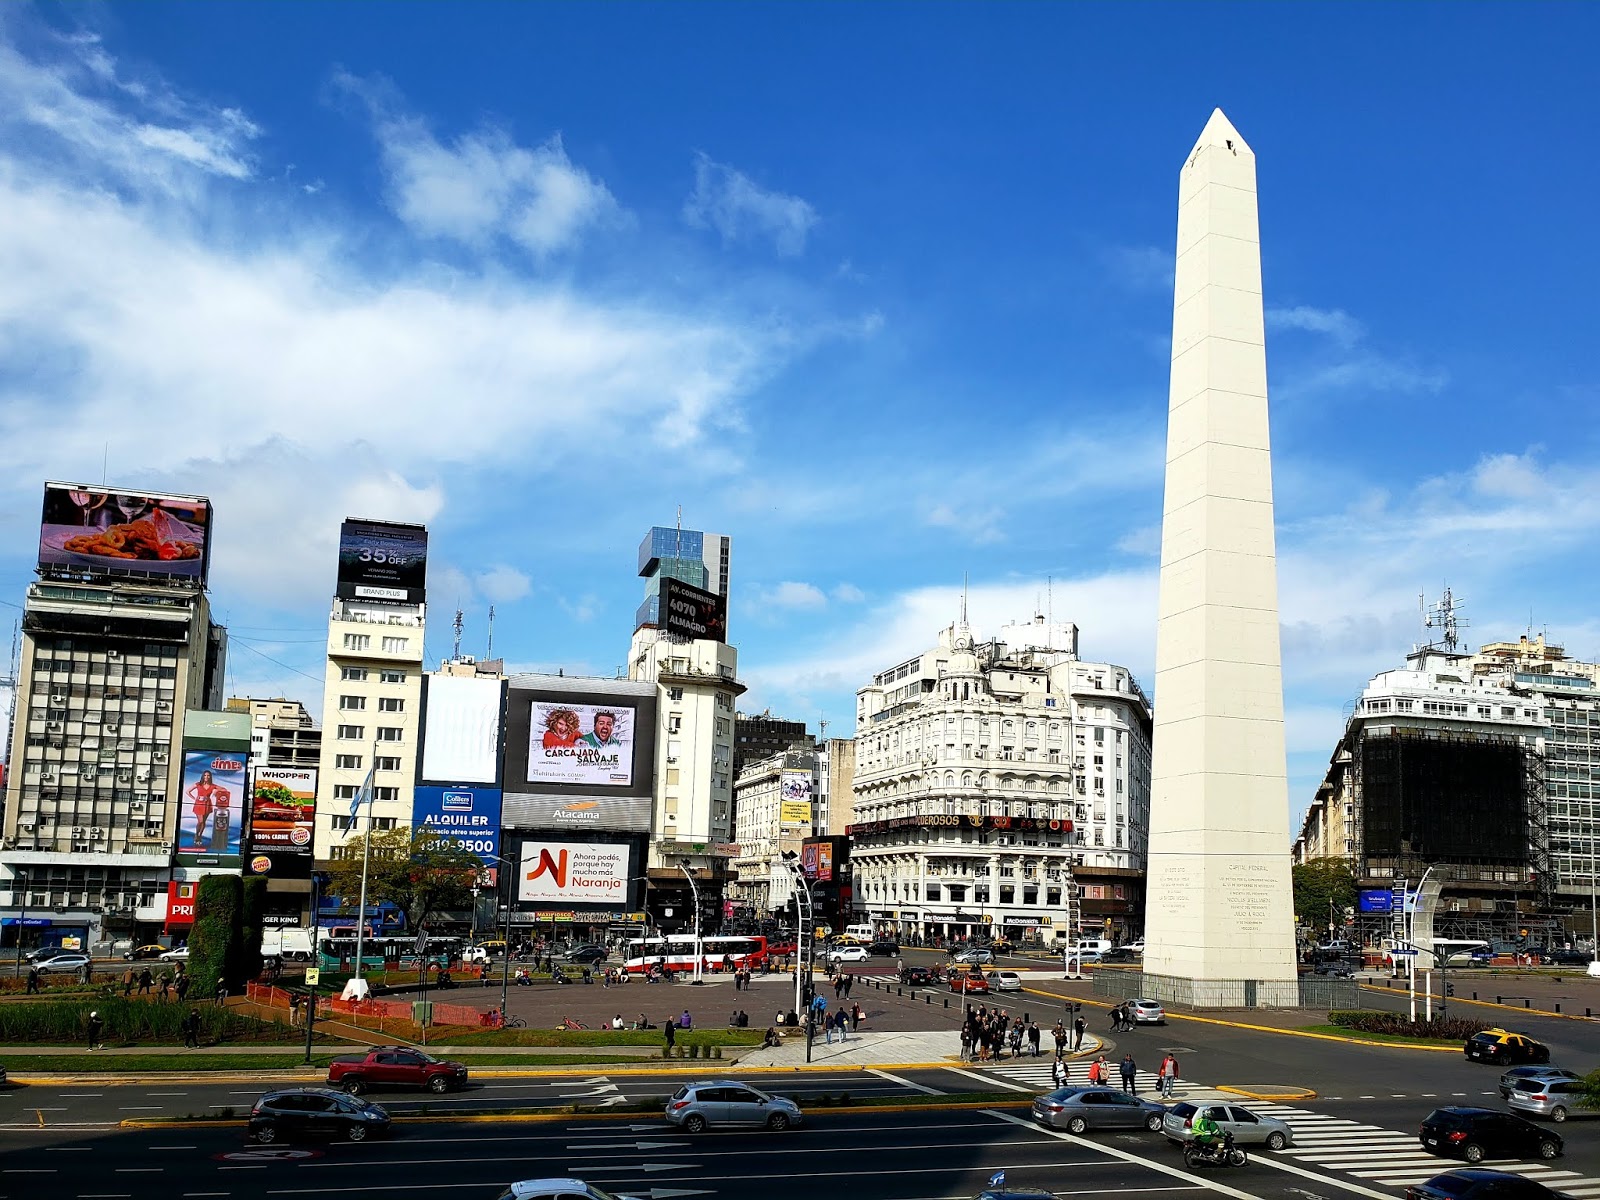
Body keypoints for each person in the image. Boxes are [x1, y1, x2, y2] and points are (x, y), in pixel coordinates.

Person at [187, 768, 216, 846]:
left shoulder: (213, 786)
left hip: (207, 805)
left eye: (208, 775)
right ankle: (197, 835)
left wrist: (216, 792)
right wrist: (195, 798)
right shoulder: (198, 784)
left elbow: (223, 789)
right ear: (203, 776)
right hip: (199, 805)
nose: (206, 777)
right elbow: (188, 791)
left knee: (204, 822)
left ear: (210, 777)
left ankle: (200, 836)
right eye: (205, 775)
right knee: (200, 821)